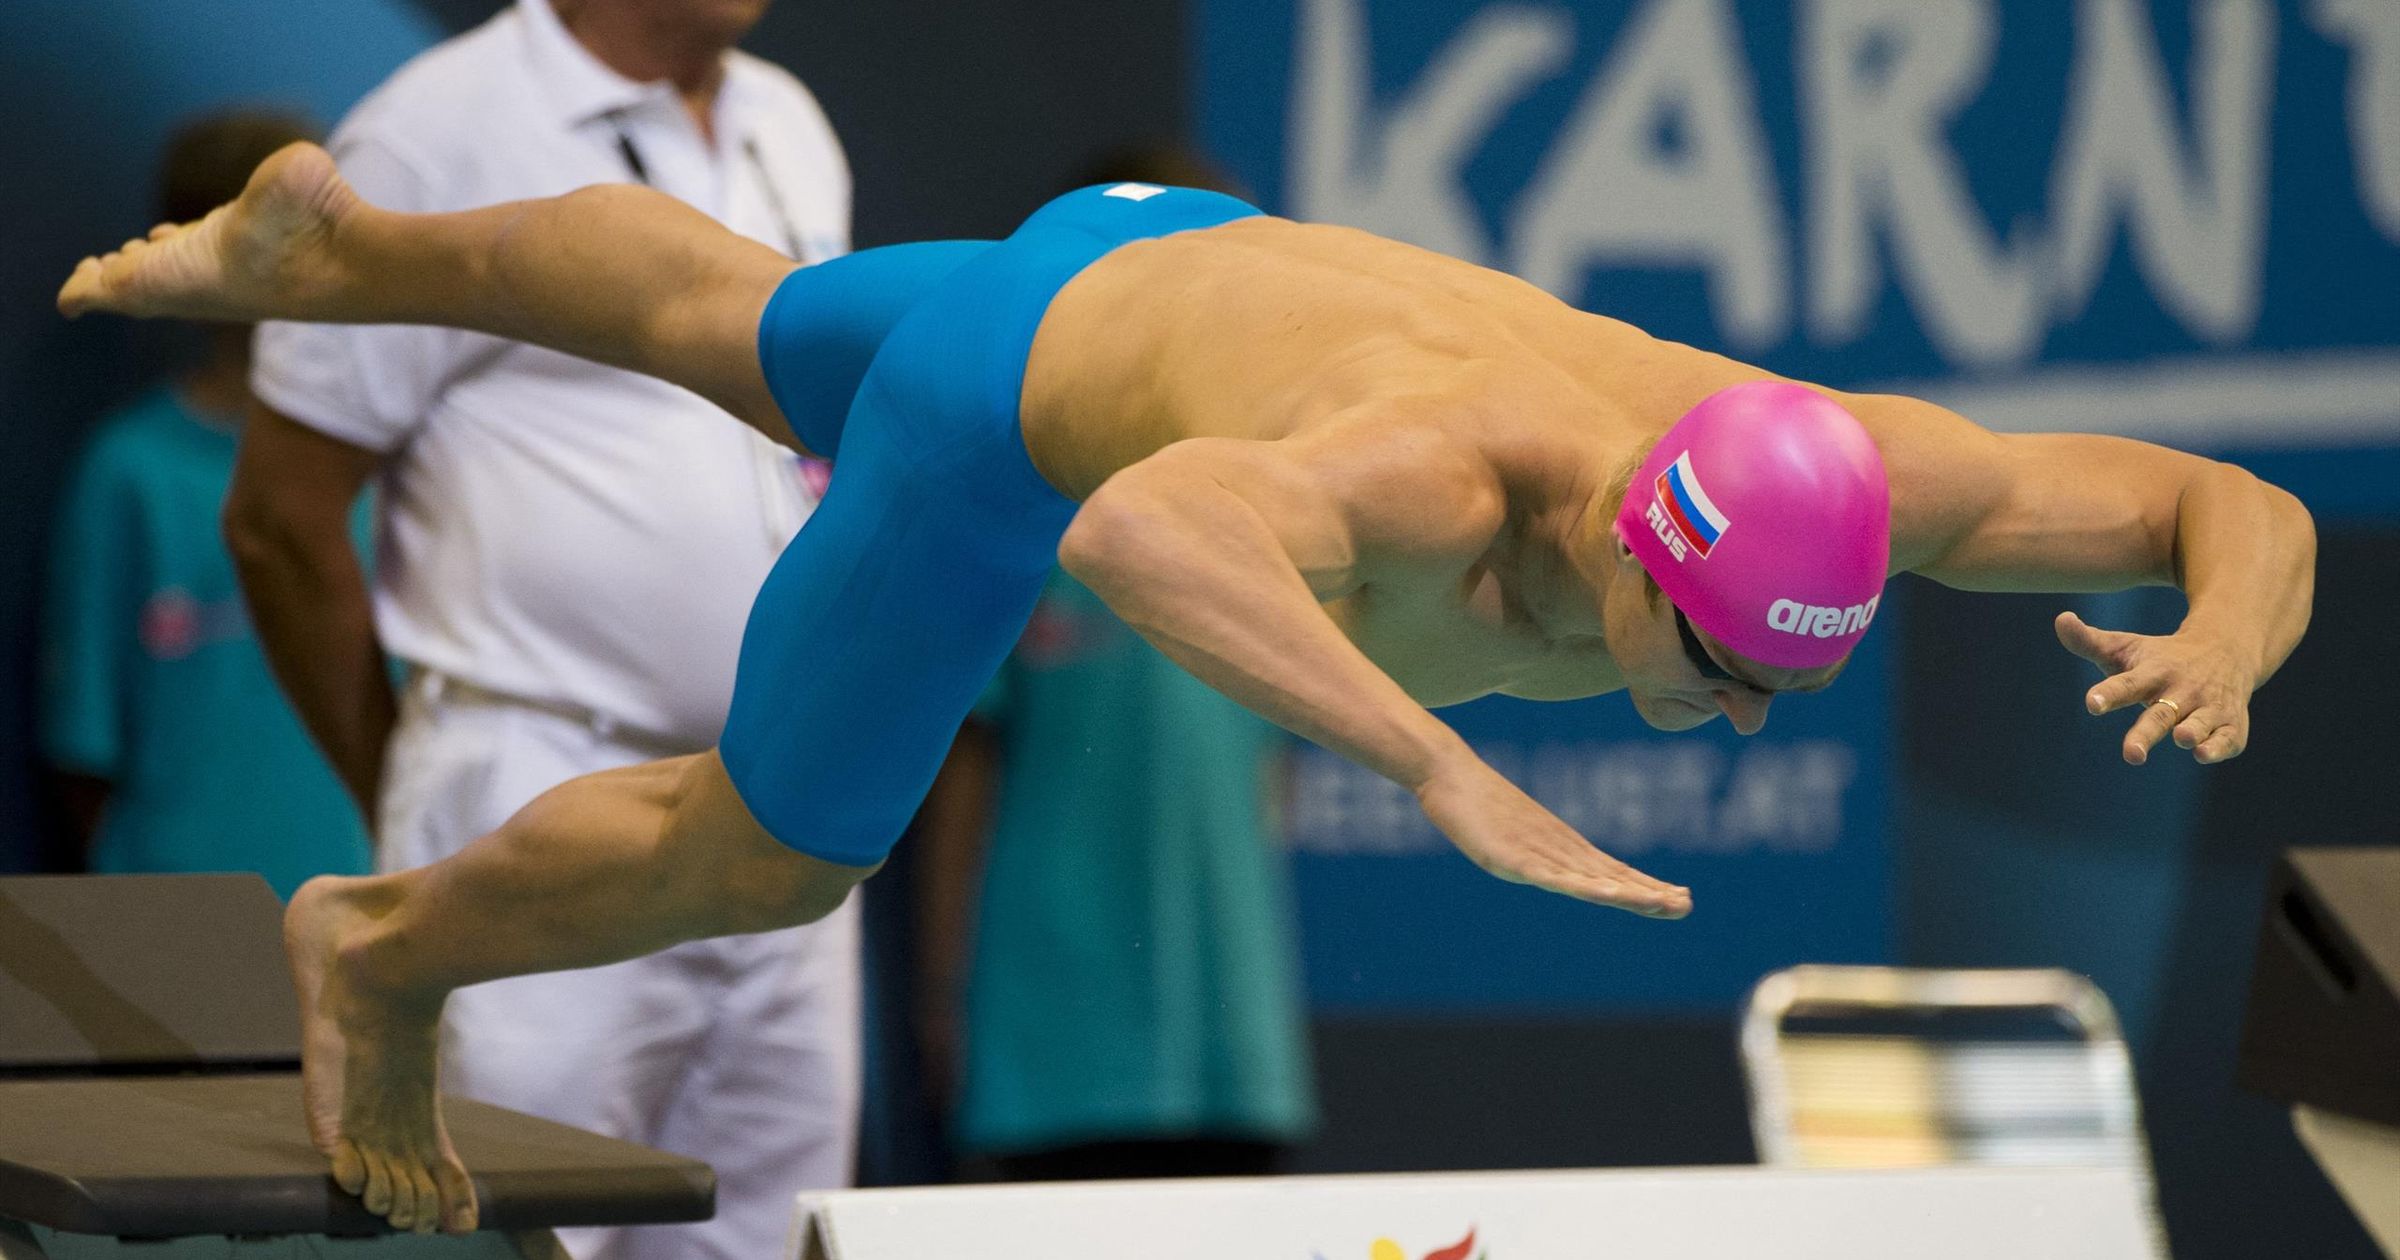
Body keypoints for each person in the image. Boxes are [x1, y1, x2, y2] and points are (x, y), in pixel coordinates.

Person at [56, 142, 2316, 1235]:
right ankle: (381, 941)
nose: (1724, 722)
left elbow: (2213, 496)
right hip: (1017, 406)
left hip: (1149, 242)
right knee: (761, 859)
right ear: (1627, 536)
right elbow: (1141, 538)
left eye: (1768, 693)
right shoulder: (1438, 474)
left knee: (727, 311)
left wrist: (2223, 628)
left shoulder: (1839, 474)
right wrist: (1437, 769)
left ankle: (336, 245)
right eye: (1704, 666)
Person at [212, 3, 855, 1256]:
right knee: (496, 1230)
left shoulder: (791, 121)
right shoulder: (433, 128)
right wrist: (413, 780)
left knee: (763, 1232)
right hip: (538, 781)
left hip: (779, 795)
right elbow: (281, 517)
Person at [911, 144, 1316, 1183]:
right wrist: (943, 987)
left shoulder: (1282, 511)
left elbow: (1273, 775)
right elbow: (966, 763)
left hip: (1229, 1042)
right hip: (1054, 1046)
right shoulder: (1019, 496)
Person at [41, 110, 372, 901]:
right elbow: (83, 746)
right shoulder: (131, 472)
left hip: (367, 914)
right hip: (174, 923)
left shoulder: (389, 470)